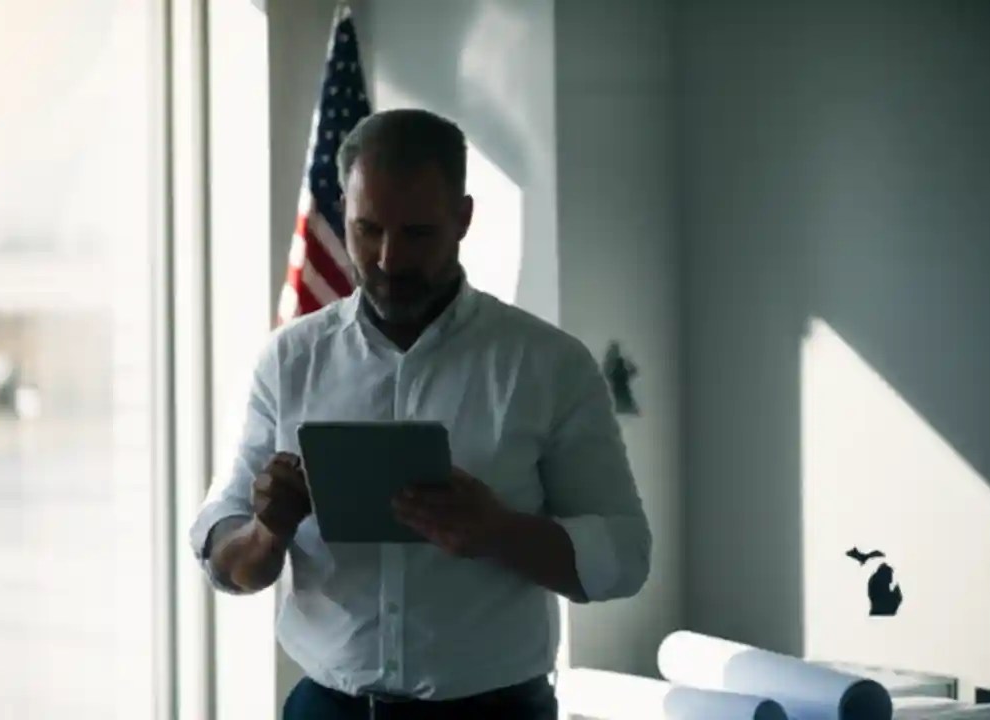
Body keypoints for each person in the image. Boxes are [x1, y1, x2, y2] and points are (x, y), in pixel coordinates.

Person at [190, 108, 652, 719]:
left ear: (461, 220)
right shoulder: (289, 360)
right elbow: (224, 550)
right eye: (367, 229)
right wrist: (266, 531)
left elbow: (625, 557)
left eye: (416, 234)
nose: (386, 259)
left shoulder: (549, 365)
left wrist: (497, 532)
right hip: (324, 710)